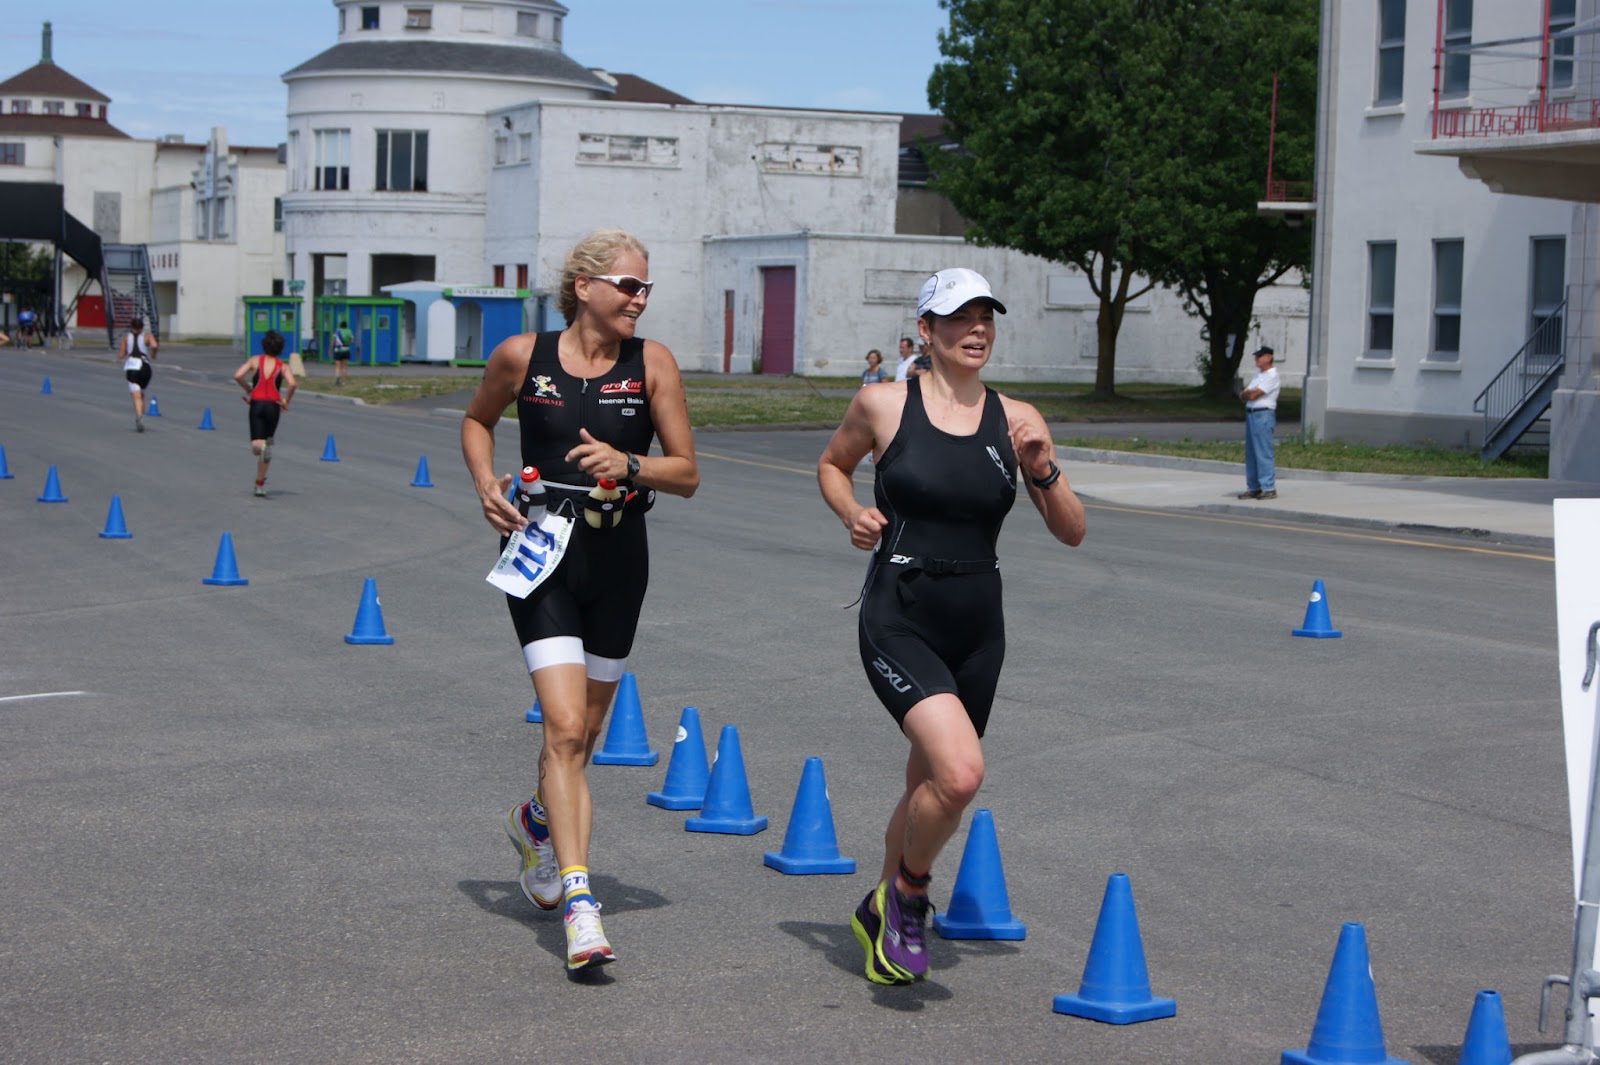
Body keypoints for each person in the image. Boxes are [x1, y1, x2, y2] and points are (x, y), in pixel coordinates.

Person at [817, 267, 1086, 986]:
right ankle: (908, 892)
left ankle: (879, 915)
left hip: (978, 625)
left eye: (985, 317)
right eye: (959, 318)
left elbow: (1072, 532)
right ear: (926, 332)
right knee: (961, 774)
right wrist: (852, 513)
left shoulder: (1018, 417)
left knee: (928, 783)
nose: (976, 329)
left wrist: (1046, 469)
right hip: (899, 612)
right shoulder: (882, 403)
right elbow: (833, 464)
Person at [460, 229, 699, 973]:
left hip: (621, 559)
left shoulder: (651, 362)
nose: (640, 299)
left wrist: (630, 462)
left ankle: (534, 819)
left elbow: (686, 471)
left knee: (584, 737)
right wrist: (485, 485)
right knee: (562, 727)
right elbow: (476, 420)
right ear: (585, 286)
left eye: (646, 289)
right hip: (542, 555)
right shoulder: (520, 357)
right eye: (629, 286)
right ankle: (580, 900)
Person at [232, 331, 297, 497]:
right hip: (273, 407)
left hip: (257, 404)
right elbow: (292, 384)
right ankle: (259, 484)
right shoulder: (282, 366)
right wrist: (286, 401)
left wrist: (248, 388)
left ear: (263, 345)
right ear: (280, 348)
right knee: (266, 445)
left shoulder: (255, 361)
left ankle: (260, 448)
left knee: (256, 445)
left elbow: (238, 375)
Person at [1238, 344, 1280, 500]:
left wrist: (1248, 393)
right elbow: (1243, 395)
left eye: (1260, 356)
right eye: (1256, 356)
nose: (1256, 359)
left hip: (1263, 415)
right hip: (1251, 414)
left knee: (1263, 452)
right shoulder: (1258, 375)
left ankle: (1268, 487)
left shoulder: (1272, 375)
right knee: (1251, 453)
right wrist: (1246, 393)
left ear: (1268, 358)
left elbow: (1254, 394)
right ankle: (1254, 486)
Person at [118, 317, 158, 432]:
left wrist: (125, 351)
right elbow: (154, 345)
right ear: (142, 327)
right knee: (141, 394)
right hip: (145, 367)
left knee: (136, 395)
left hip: (133, 367)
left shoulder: (126, 337)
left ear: (131, 327)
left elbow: (120, 355)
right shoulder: (147, 336)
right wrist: (154, 354)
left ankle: (139, 417)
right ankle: (141, 415)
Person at [329, 319, 354, 386]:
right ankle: (343, 382)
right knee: (344, 367)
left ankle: (337, 377)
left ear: (340, 326)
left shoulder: (337, 331)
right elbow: (351, 341)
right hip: (346, 350)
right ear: (346, 326)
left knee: (337, 365)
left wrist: (330, 350)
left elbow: (333, 341)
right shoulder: (349, 331)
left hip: (338, 350)